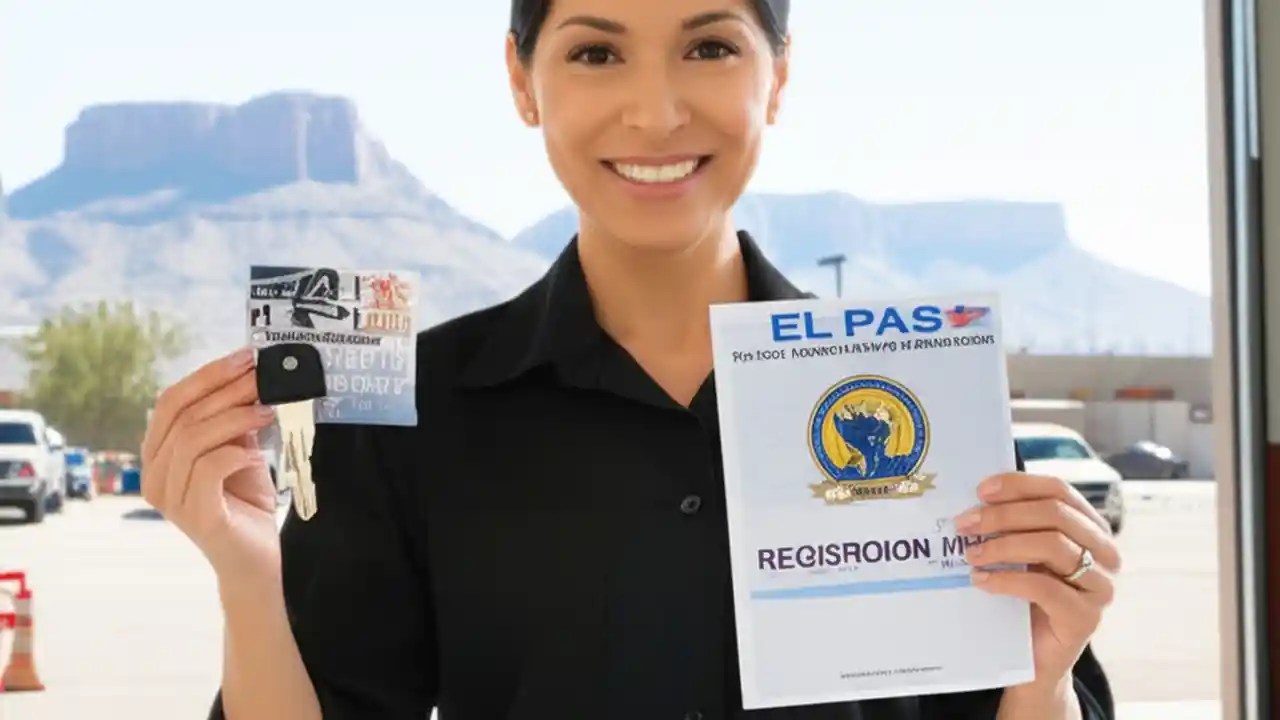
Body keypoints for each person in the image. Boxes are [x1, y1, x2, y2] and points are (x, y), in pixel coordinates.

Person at [140, 0, 1121, 717]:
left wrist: (1039, 680)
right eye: (596, 52)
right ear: (521, 80)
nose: (654, 113)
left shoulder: (921, 396)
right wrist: (247, 575)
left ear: (778, 76)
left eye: (708, 46)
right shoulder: (406, 413)